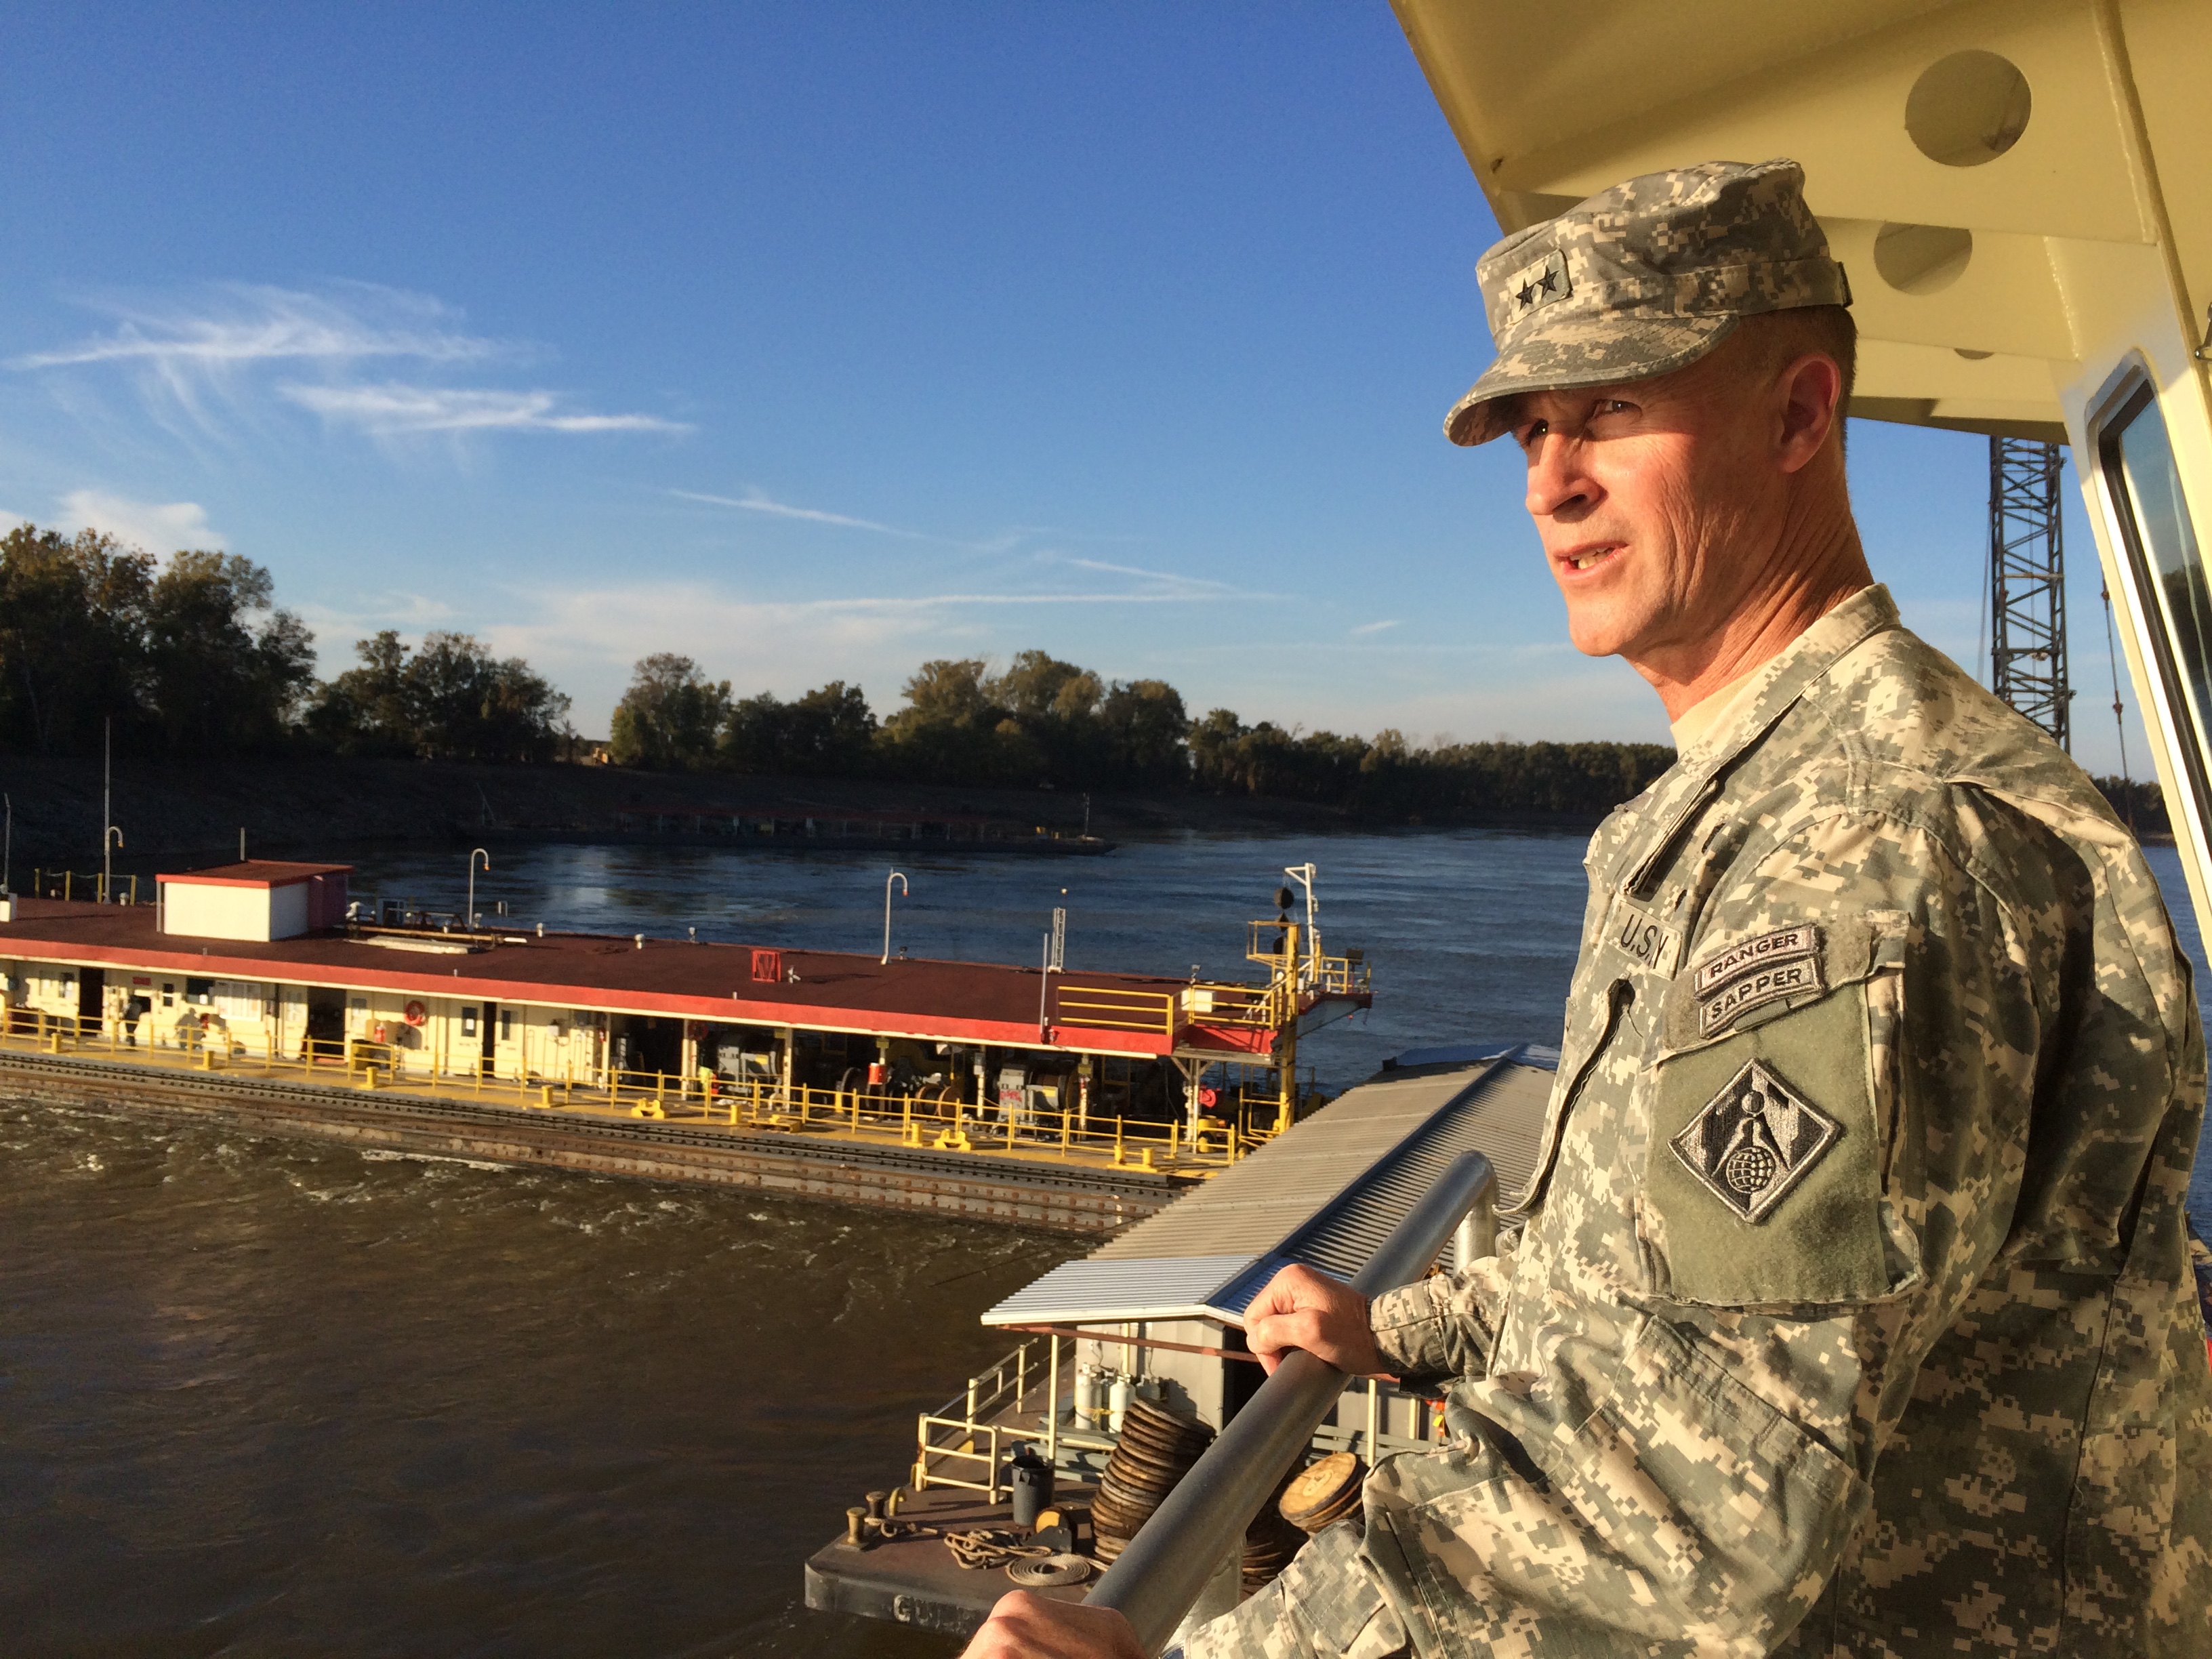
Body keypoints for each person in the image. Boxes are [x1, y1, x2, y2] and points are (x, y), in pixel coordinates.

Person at [963, 159, 2212, 1658]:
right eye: (1533, 429)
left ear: (1802, 416)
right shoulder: (1754, 804)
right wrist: (1399, 1328)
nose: (1551, 479)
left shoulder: (1871, 842)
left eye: (1613, 409)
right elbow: (1644, 1270)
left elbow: (1680, 1522)